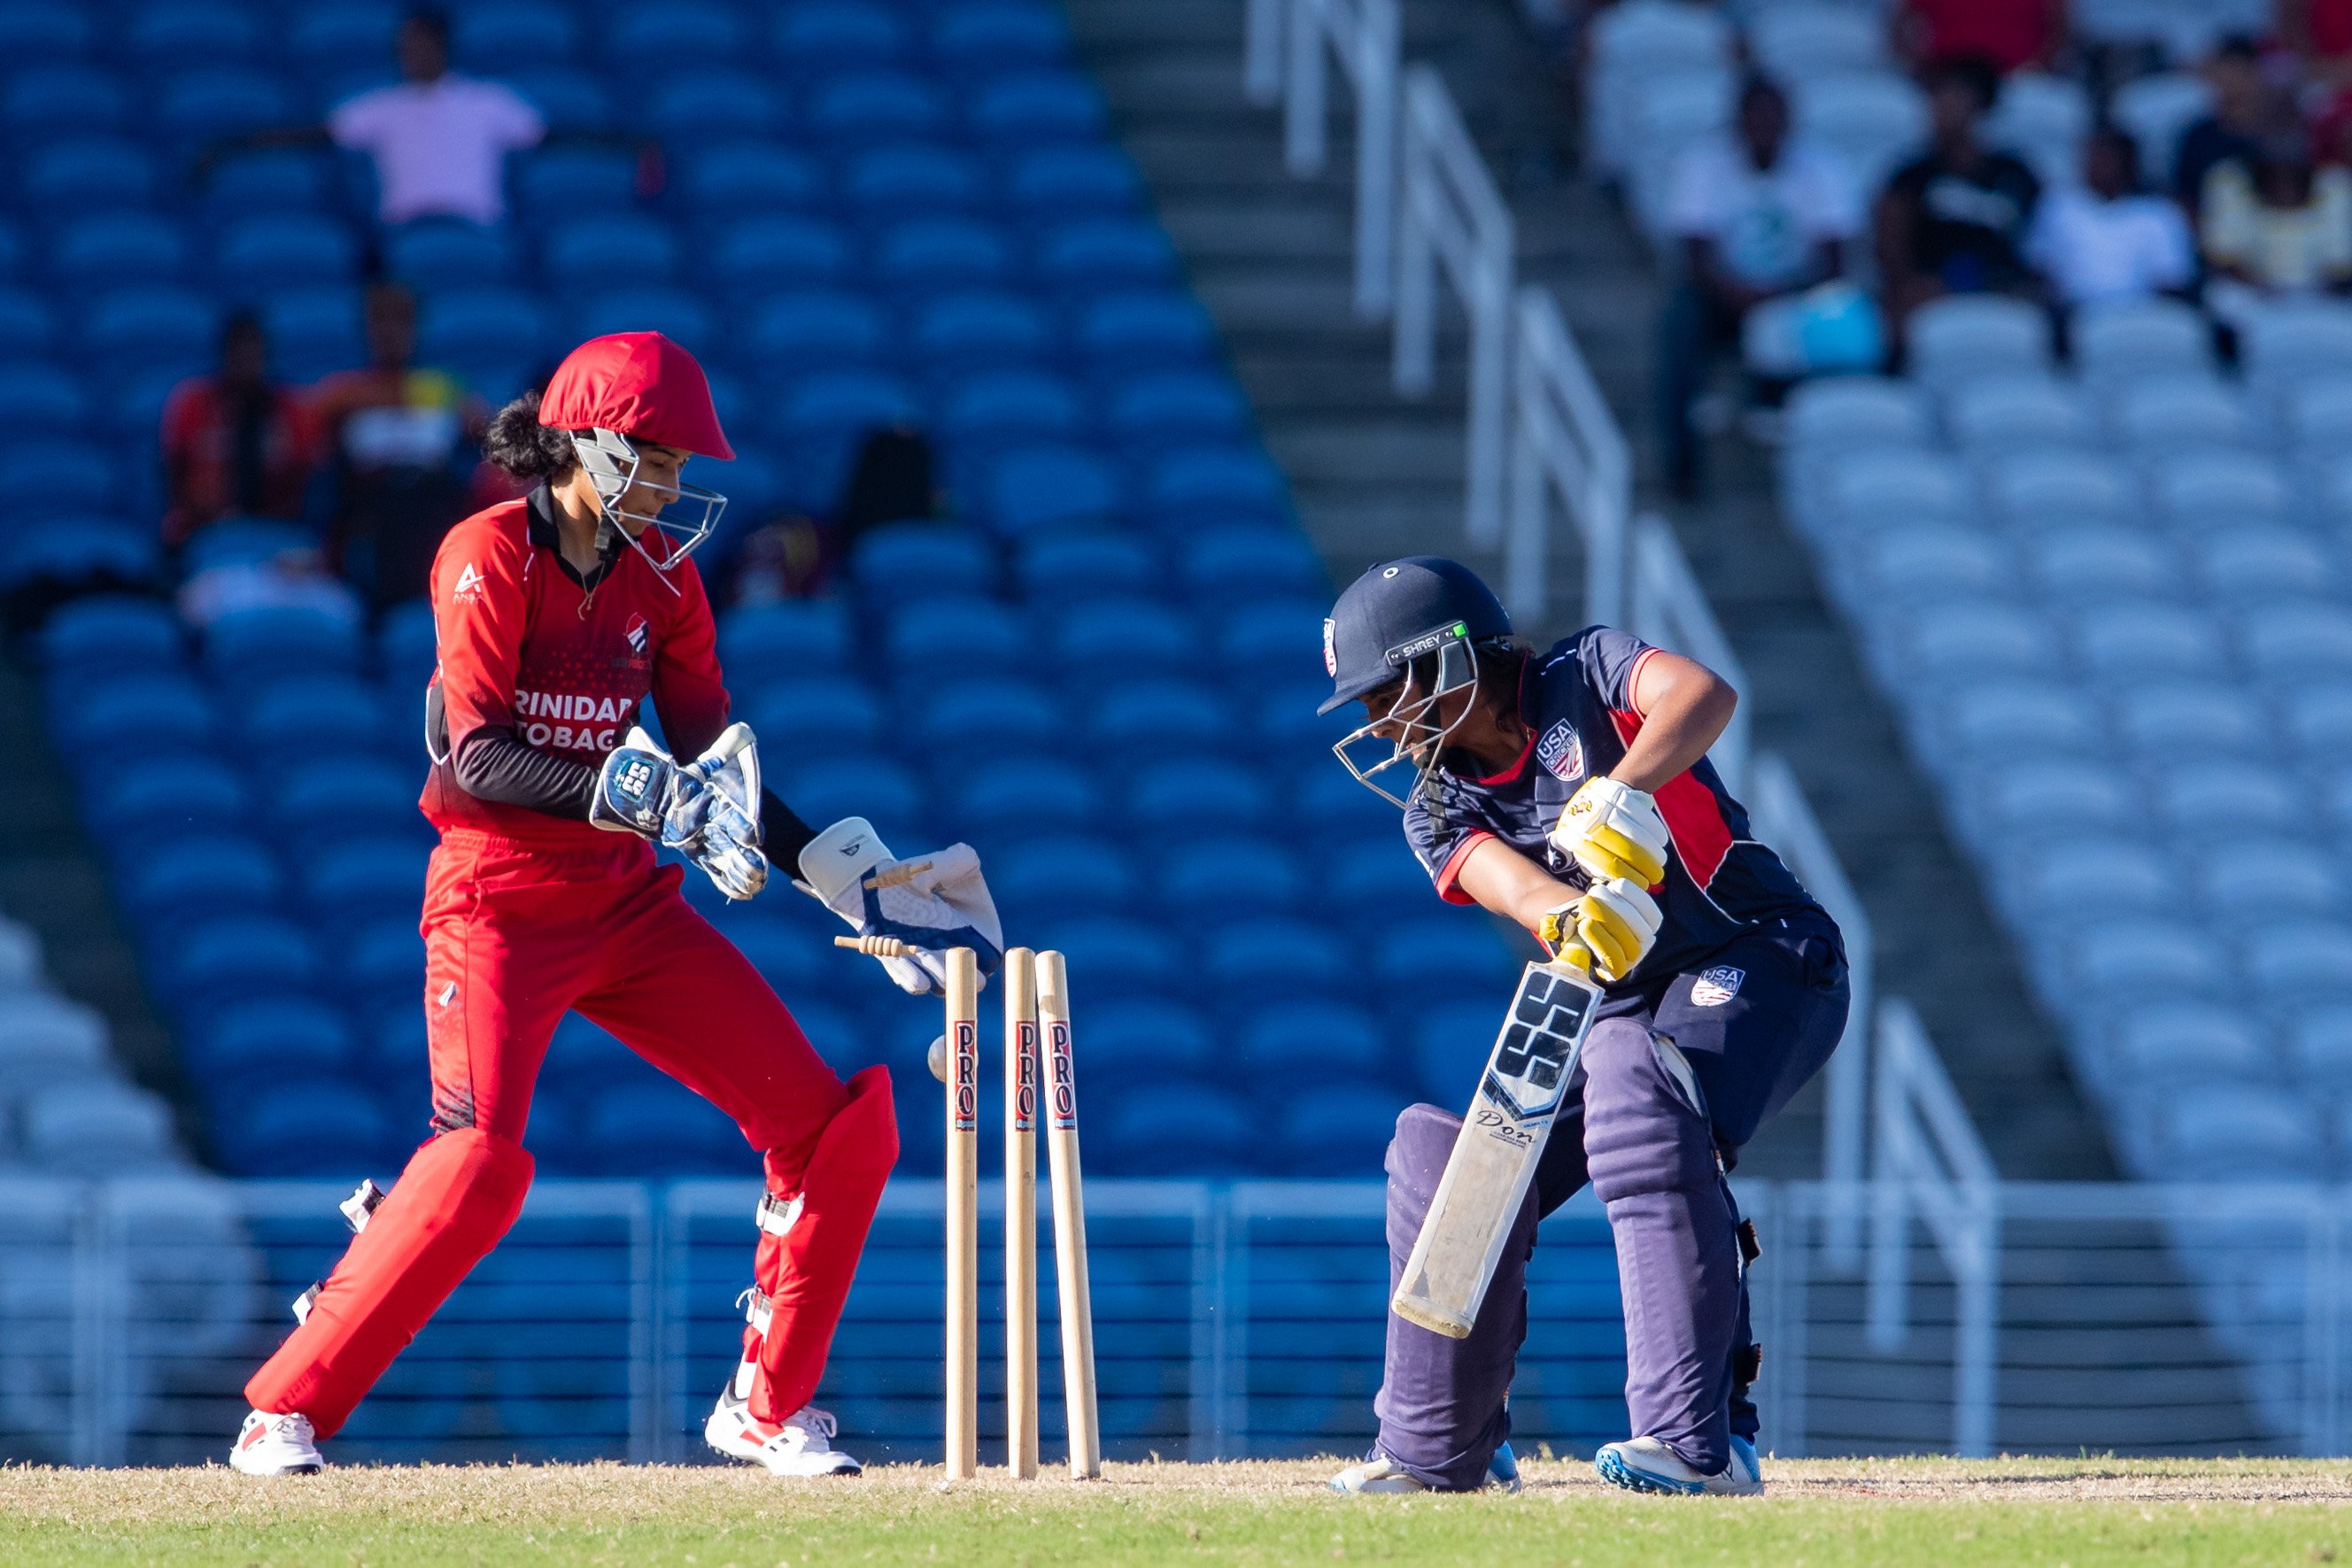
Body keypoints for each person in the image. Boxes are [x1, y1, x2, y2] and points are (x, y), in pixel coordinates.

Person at [227, 332, 1007, 1479]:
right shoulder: (485, 553)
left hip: (623, 907)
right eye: (662, 459)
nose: (680, 487)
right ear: (588, 444)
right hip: (495, 895)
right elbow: (476, 755)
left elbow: (710, 757)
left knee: (838, 1129)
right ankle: (281, 1408)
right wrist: (623, 791)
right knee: (478, 1159)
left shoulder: (667, 579)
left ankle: (765, 1402)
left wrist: (847, 873)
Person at [1315, 558, 1846, 1498]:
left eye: (1382, 693)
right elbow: (1519, 890)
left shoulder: (1586, 672)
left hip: (1766, 952)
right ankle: (1442, 1448)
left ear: (1447, 661)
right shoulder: (1438, 807)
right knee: (1454, 1159)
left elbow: (1700, 692)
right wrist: (1567, 915)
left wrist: (1626, 787)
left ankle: (1702, 1440)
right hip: (1620, 994)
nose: (1376, 726)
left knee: (1642, 1087)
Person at [197, 7, 655, 229]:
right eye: (405, 46)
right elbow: (310, 135)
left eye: (420, 45)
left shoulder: (485, 101)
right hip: (405, 233)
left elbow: (555, 137)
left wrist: (628, 145)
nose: (410, 55)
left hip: (477, 231)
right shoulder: (382, 106)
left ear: (443, 46)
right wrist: (228, 147)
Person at [1655, 76, 1861, 497]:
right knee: (1677, 325)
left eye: (1774, 118)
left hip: (1797, 296)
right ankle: (1681, 468)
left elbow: (1835, 259)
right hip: (1722, 296)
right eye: (1756, 118)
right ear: (1737, 122)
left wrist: (1783, 299)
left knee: (1853, 325)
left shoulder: (1822, 167)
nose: (1765, 128)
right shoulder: (1703, 165)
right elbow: (1693, 255)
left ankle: (1829, 459)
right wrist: (1742, 297)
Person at [307, 282, 483, 612]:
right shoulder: (341, 395)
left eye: (401, 322)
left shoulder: (444, 390)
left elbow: (491, 440)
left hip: (432, 516)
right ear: (366, 330)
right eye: (381, 323)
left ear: (416, 328)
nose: (390, 333)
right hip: (369, 521)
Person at [1876, 55, 2044, 334]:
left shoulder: (2016, 174)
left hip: (2002, 288)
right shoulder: (1910, 176)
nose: (1938, 109)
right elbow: (1890, 252)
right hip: (1932, 290)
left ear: (1980, 107)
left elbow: (2041, 245)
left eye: (1952, 99)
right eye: (1935, 100)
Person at [158, 311, 320, 548]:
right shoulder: (192, 404)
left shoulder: (292, 410)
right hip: (207, 536)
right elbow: (173, 479)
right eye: (239, 350)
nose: (247, 360)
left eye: (254, 350)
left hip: (281, 537)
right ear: (224, 354)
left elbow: (309, 484)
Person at [2023, 126, 2194, 313]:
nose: (2095, 164)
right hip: (2070, 315)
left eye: (2106, 158)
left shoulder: (2158, 214)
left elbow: (2172, 281)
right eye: (2092, 157)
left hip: (2140, 315)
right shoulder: (2058, 206)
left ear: (2128, 163)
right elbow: (2037, 268)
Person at [2201, 135, 2352, 328]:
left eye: (2290, 172)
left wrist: (2306, 295)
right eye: (2276, 173)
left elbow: (2340, 267)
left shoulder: (2336, 187)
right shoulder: (2231, 183)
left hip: (2319, 296)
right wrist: (2265, 290)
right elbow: (2225, 259)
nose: (2284, 181)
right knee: (2223, 296)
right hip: (2257, 295)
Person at [2173, 38, 2271, 220]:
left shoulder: (2276, 132)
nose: (2230, 82)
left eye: (2239, 72)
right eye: (2223, 73)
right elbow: (2185, 196)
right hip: (2213, 233)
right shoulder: (2197, 135)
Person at [1892, 0, 2065, 74]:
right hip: (1951, 82)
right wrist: (1922, 66)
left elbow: (2060, 29)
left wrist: (2037, 65)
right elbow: (1898, 24)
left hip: (2019, 83)